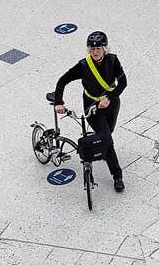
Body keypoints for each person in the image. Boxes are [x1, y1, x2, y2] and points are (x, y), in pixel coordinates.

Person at [50, 31, 128, 191]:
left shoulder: (113, 60)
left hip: (111, 103)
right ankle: (117, 175)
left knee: (108, 133)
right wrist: (58, 101)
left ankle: (103, 149)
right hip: (92, 106)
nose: (95, 51)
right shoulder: (83, 65)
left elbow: (123, 82)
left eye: (98, 48)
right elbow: (62, 80)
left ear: (104, 48)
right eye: (92, 48)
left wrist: (109, 97)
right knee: (107, 138)